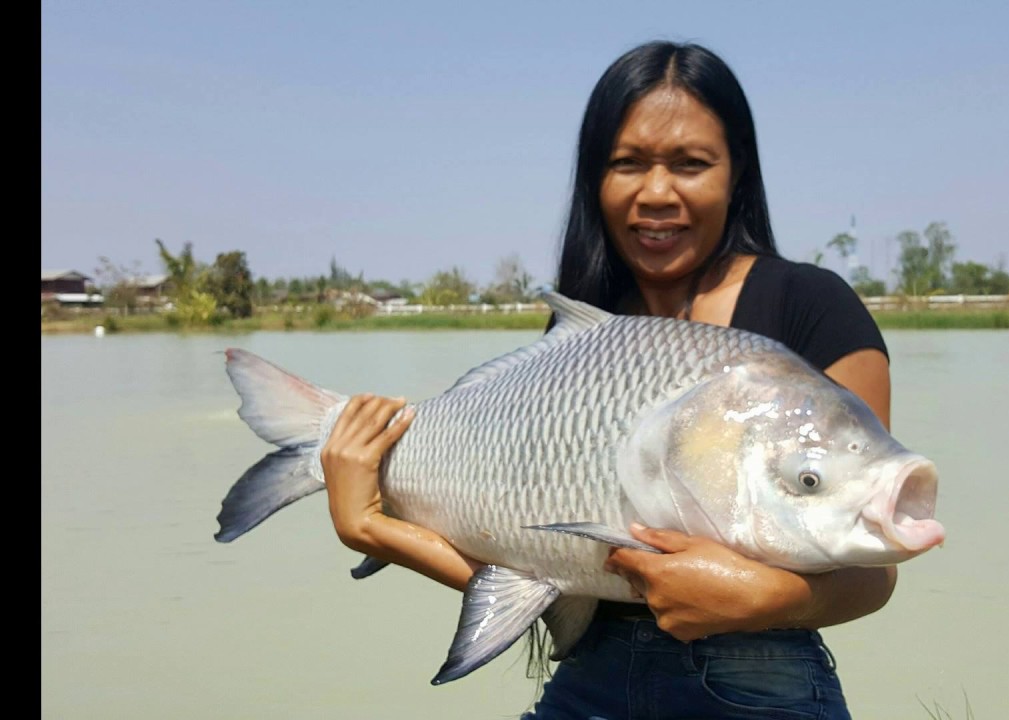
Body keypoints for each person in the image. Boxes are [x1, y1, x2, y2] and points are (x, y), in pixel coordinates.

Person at [321, 40, 894, 719]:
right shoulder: (575, 347)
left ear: (737, 173)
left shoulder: (811, 304)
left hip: (759, 685)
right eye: (627, 164)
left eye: (691, 164)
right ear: (594, 178)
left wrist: (766, 598)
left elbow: (873, 565)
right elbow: (534, 571)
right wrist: (371, 527)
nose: (657, 193)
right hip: (585, 687)